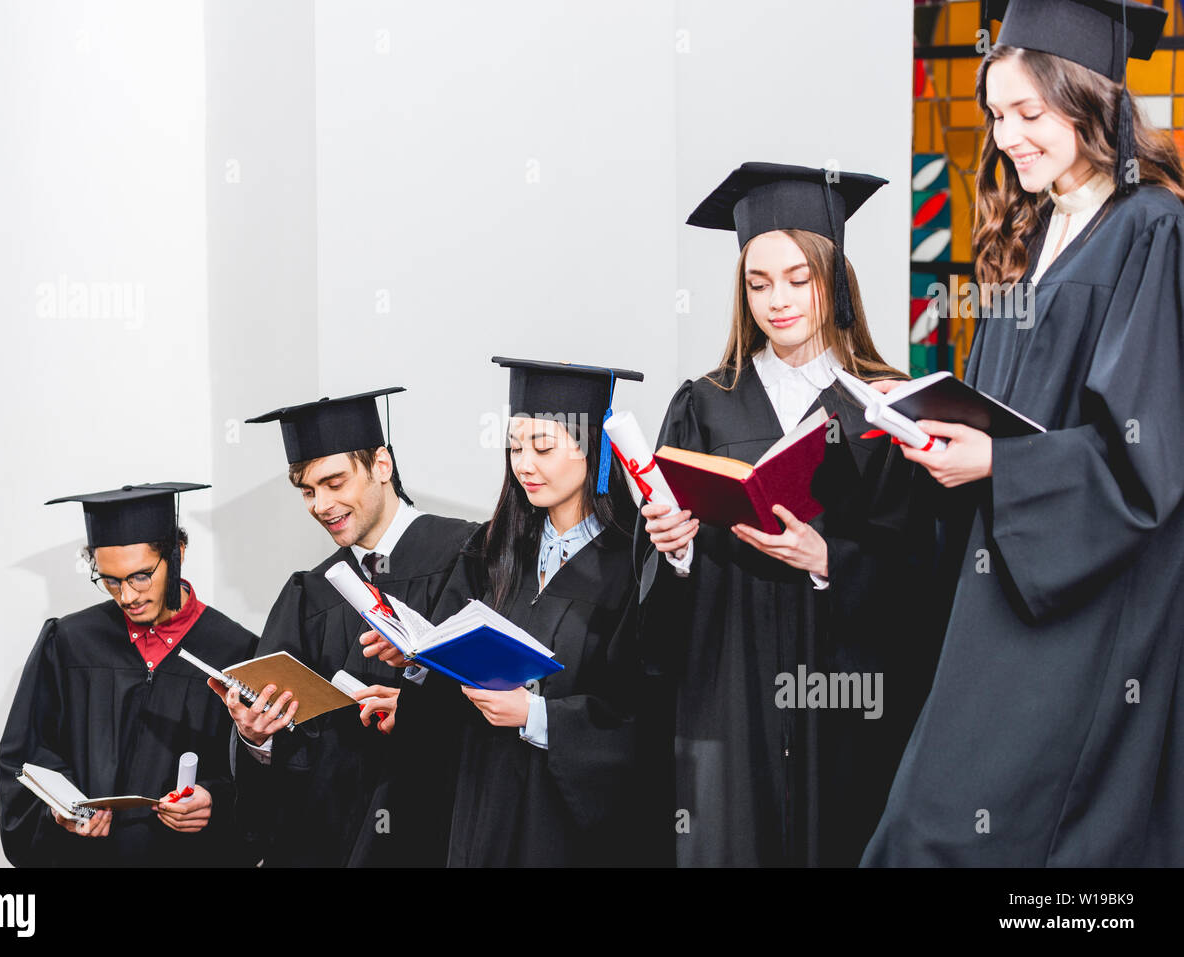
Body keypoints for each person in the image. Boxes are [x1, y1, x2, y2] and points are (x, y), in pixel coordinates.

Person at [863, 0, 1184, 867]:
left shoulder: (1155, 230)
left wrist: (1001, 464)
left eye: (1029, 114)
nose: (1008, 136)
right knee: (927, 825)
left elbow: (1149, 457)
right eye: (998, 115)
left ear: (1090, 102)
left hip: (1084, 612)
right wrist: (927, 419)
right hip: (997, 590)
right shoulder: (1032, 232)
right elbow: (1001, 403)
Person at [641, 163, 943, 866]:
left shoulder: (887, 405)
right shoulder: (704, 403)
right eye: (758, 282)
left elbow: (931, 564)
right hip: (728, 699)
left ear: (835, 280)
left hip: (846, 701)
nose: (777, 301)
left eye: (798, 279)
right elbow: (651, 604)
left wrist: (832, 559)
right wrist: (673, 548)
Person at [378, 357, 657, 866]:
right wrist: (415, 659)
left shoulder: (634, 567)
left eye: (543, 446)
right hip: (483, 805)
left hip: (565, 828)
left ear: (593, 449)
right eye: (514, 447)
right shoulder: (491, 553)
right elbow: (444, 692)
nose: (524, 464)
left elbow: (645, 712)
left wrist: (538, 715)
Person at [222, 387, 477, 866]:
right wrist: (257, 738)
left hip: (438, 838)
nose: (320, 504)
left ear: (382, 464)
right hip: (332, 846)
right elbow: (288, 757)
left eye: (334, 482)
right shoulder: (309, 595)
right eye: (307, 490)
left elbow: (507, 695)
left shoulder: (469, 554)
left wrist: (426, 708)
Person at [0, 482, 258, 866]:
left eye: (140, 576)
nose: (127, 596)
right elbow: (24, 758)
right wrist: (59, 807)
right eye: (110, 581)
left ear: (177, 554)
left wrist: (213, 801)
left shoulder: (235, 651)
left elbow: (260, 776)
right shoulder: (69, 642)